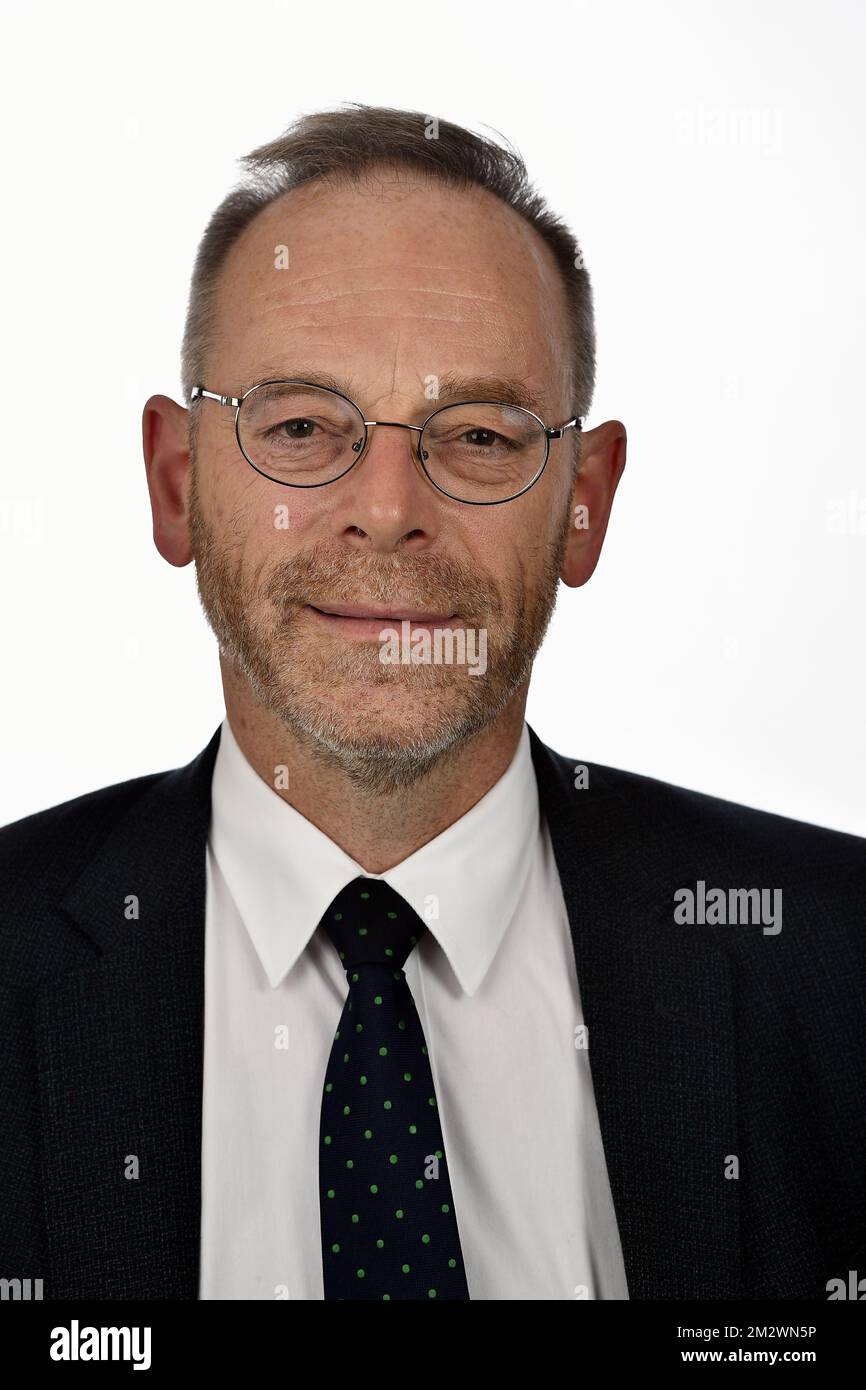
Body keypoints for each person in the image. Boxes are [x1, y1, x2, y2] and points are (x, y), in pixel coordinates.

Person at [1, 104, 863, 1302]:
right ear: (176, 483)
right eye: (301, 426)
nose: (388, 506)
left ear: (584, 500)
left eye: (477, 435)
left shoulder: (839, 962)